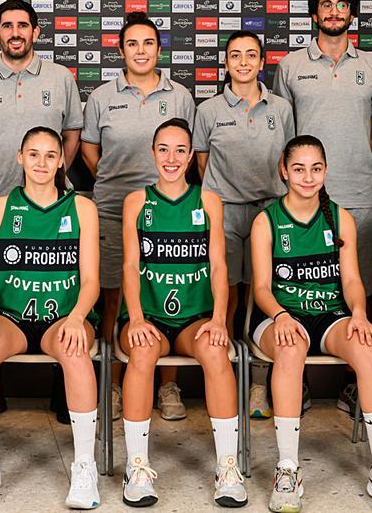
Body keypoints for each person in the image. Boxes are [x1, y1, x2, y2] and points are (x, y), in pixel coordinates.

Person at [249, 135, 372, 513]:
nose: (307, 177)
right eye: (299, 169)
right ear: (284, 170)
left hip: (330, 314)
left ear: (326, 171)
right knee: (290, 348)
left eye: (316, 169)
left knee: (369, 349)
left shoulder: (340, 218)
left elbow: (352, 281)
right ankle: (287, 469)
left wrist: (359, 314)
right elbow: (261, 288)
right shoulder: (266, 220)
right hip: (278, 315)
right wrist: (281, 316)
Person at [0, 127, 102, 509]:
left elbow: (90, 280)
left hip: (63, 318)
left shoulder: (81, 209)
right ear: (20, 158)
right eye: (34, 154)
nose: (42, 163)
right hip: (12, 316)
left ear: (61, 160)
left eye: (50, 155)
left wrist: (77, 317)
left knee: (75, 352)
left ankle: (84, 465)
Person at [273, 0, 372, 418]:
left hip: (359, 194)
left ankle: (354, 385)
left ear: (352, 14)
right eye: (326, 5)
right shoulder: (289, 66)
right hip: (301, 199)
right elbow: (285, 135)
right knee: (294, 285)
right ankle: (293, 381)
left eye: (342, 5)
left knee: (360, 289)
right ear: (314, 14)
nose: (334, 12)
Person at [118, 118, 243, 508]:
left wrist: (220, 319)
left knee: (215, 351)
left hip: (194, 317)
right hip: (147, 315)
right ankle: (137, 466)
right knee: (140, 352)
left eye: (180, 150)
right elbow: (129, 265)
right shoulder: (137, 201)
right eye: (163, 149)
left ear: (191, 156)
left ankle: (227, 466)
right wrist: (136, 318)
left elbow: (219, 266)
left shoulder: (208, 201)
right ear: (153, 153)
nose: (171, 158)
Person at [81, 11, 195, 423]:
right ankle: (113, 384)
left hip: (169, 216)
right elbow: (90, 152)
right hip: (112, 210)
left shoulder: (180, 96)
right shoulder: (101, 97)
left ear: (159, 49)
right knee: (114, 298)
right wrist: (117, 185)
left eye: (148, 43)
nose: (140, 50)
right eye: (132, 43)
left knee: (167, 301)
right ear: (121, 50)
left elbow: (187, 153)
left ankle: (167, 387)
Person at [194, 30, 296, 420]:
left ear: (261, 61)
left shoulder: (281, 108)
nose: (242, 62)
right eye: (235, 55)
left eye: (251, 55)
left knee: (266, 297)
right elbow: (202, 163)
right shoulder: (208, 110)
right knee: (226, 295)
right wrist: (222, 198)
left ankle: (258, 386)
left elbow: (288, 159)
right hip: (224, 212)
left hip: (270, 211)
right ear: (226, 62)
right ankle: (223, 380)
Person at [0, 0, 84, 287]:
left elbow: (72, 135)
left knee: (57, 294)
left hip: (55, 209)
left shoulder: (61, 77)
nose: (16, 33)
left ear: (36, 32)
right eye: (7, 26)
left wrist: (52, 173)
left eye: (23, 25)